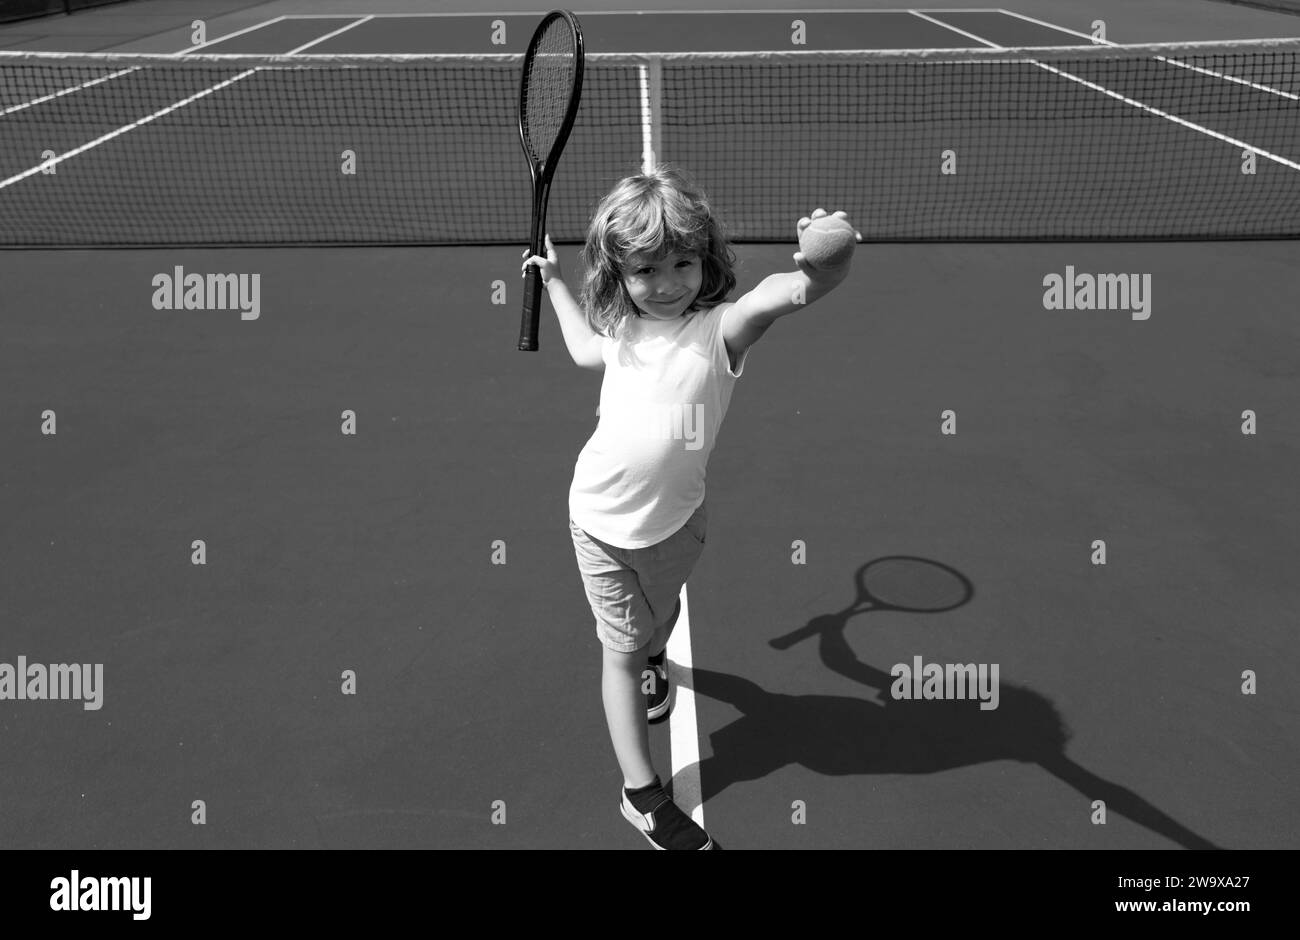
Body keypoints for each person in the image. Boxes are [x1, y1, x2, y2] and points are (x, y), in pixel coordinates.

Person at [521, 164, 860, 849]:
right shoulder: (621, 329)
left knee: (660, 617)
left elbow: (777, 296)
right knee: (621, 650)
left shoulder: (719, 332)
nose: (669, 282)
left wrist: (823, 271)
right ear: (619, 278)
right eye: (646, 270)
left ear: (707, 261)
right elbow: (587, 349)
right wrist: (554, 283)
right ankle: (642, 796)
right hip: (599, 524)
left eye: (683, 262)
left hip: (678, 524)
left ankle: (654, 656)